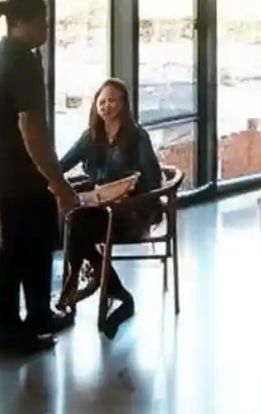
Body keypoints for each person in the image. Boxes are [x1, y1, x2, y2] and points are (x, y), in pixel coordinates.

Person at [0, 0, 79, 355]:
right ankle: (8, 329)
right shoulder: (22, 63)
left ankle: (36, 317)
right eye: (43, 22)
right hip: (21, 169)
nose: (46, 29)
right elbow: (30, 129)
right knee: (22, 248)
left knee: (25, 243)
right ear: (22, 22)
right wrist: (59, 183)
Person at [55, 79, 164, 337]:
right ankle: (118, 293)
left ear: (124, 104)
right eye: (101, 101)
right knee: (70, 218)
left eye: (112, 100)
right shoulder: (91, 136)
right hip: (100, 212)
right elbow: (61, 165)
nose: (106, 106)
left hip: (129, 215)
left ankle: (84, 282)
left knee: (76, 225)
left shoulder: (137, 136)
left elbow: (152, 180)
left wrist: (127, 192)